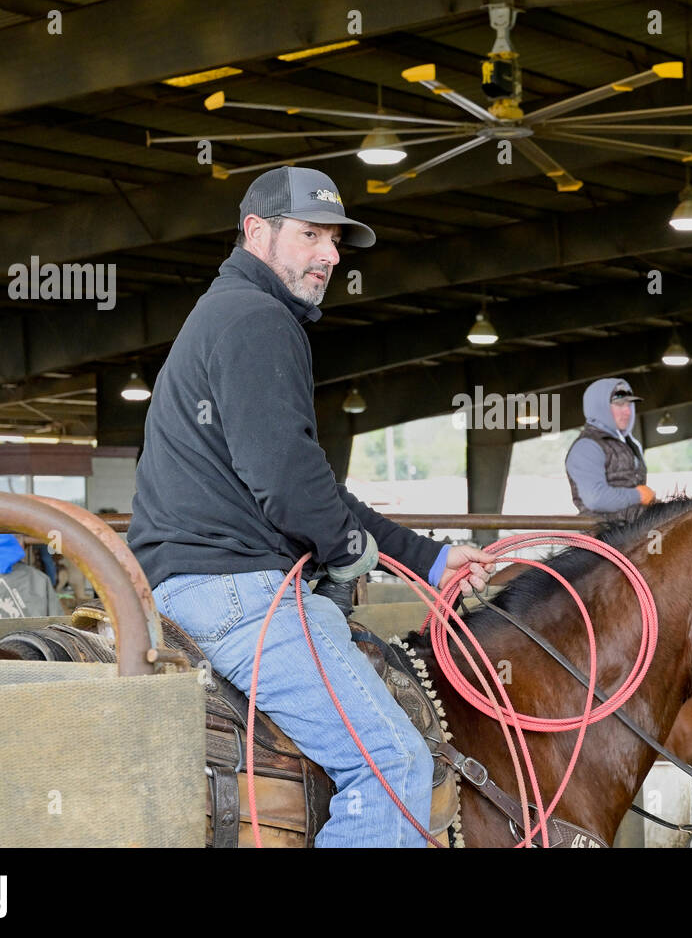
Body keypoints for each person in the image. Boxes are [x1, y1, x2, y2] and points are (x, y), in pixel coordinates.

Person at [127, 166, 495, 848]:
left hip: (204, 584)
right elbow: (289, 488)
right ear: (256, 232)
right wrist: (346, 548)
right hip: (234, 592)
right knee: (395, 764)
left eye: (334, 240)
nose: (329, 255)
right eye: (310, 235)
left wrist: (431, 559)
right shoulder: (258, 319)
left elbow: (309, 480)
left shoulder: (229, 313)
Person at [565, 378, 655, 520]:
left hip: (633, 531)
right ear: (600, 406)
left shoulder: (631, 443)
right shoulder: (587, 446)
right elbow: (595, 498)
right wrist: (638, 495)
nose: (627, 411)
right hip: (603, 535)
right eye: (619, 404)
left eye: (629, 404)